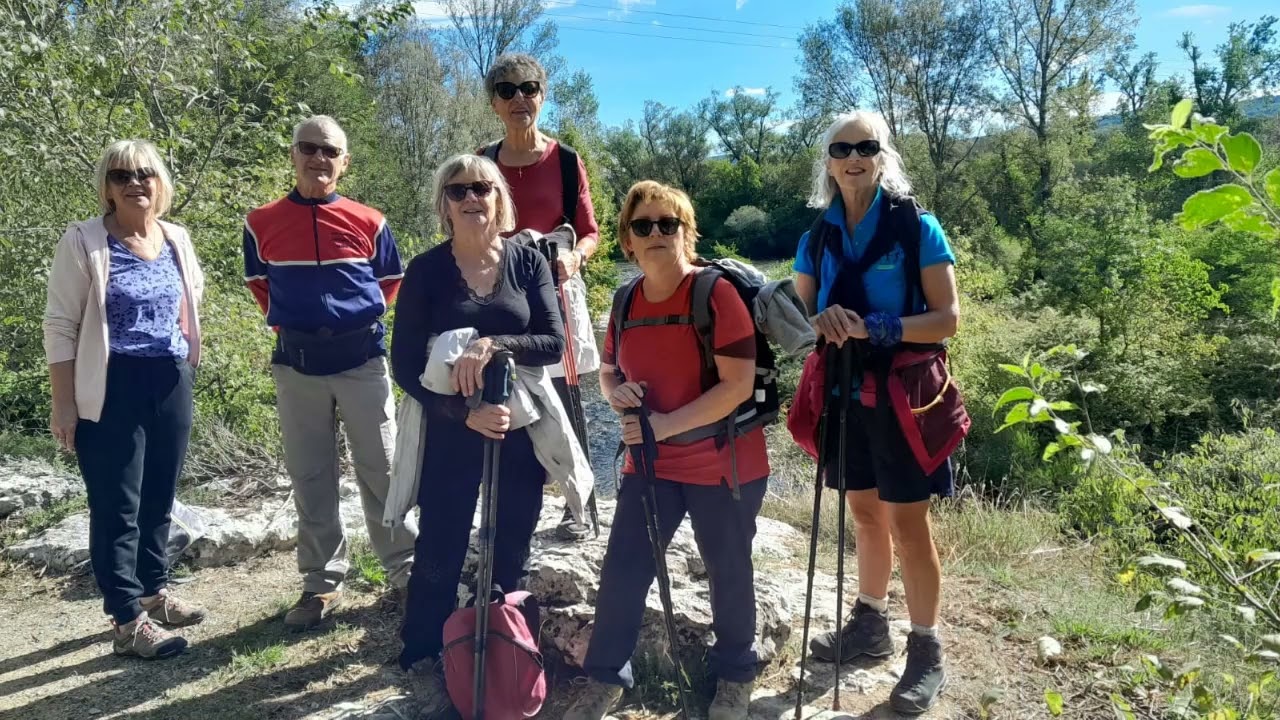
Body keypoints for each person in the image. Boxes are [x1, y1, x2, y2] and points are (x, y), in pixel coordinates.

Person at [564, 181, 768, 720]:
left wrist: (662, 426)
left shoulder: (714, 293)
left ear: (686, 232)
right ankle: (606, 679)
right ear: (627, 241)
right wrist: (617, 394)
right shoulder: (626, 298)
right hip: (650, 463)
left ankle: (734, 677)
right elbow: (609, 372)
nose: (656, 233)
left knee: (728, 570)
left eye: (668, 223)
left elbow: (737, 385)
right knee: (624, 569)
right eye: (642, 225)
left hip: (723, 461)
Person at [793, 110, 961, 715]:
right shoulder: (816, 238)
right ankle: (871, 623)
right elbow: (796, 319)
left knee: (908, 524)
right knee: (864, 512)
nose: (853, 157)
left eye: (866, 146)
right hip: (844, 395)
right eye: (842, 148)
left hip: (904, 396)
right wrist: (823, 321)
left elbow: (947, 318)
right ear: (829, 161)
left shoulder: (918, 227)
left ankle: (926, 651)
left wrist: (881, 326)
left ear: (883, 156)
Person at [390, 154, 565, 677]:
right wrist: (462, 415)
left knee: (513, 535)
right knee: (442, 538)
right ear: (444, 204)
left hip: (518, 419)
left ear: (499, 198)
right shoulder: (425, 270)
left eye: (482, 188)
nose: (471, 198)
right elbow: (401, 364)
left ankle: (504, 645)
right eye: (458, 190)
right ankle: (423, 649)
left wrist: (491, 343)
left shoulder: (528, 261)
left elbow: (552, 342)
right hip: (451, 422)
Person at [243, 115, 417, 630]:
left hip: (361, 361)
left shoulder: (371, 221)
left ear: (344, 162)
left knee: (382, 469)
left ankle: (406, 573)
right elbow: (260, 285)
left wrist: (345, 320)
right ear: (292, 154)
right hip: (297, 366)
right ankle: (321, 584)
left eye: (330, 151)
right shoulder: (260, 223)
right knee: (311, 474)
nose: (319, 158)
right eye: (308, 148)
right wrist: (303, 324)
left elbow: (389, 283)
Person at [44, 139, 207, 659]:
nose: (134, 183)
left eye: (144, 174)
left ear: (160, 182)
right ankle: (125, 619)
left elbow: (191, 300)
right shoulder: (84, 241)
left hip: (170, 378)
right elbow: (61, 325)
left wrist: (184, 359)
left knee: (160, 494)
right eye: (120, 176)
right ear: (106, 188)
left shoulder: (176, 238)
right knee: (118, 505)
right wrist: (63, 402)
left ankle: (155, 591)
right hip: (109, 384)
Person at [478, 52, 602, 540]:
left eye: (528, 88)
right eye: (506, 91)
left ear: (542, 96)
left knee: (566, 400)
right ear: (494, 104)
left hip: (556, 294)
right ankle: (514, 513)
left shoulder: (567, 162)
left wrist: (576, 258)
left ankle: (581, 509)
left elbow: (589, 231)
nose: (518, 99)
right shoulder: (484, 164)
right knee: (506, 399)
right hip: (501, 297)